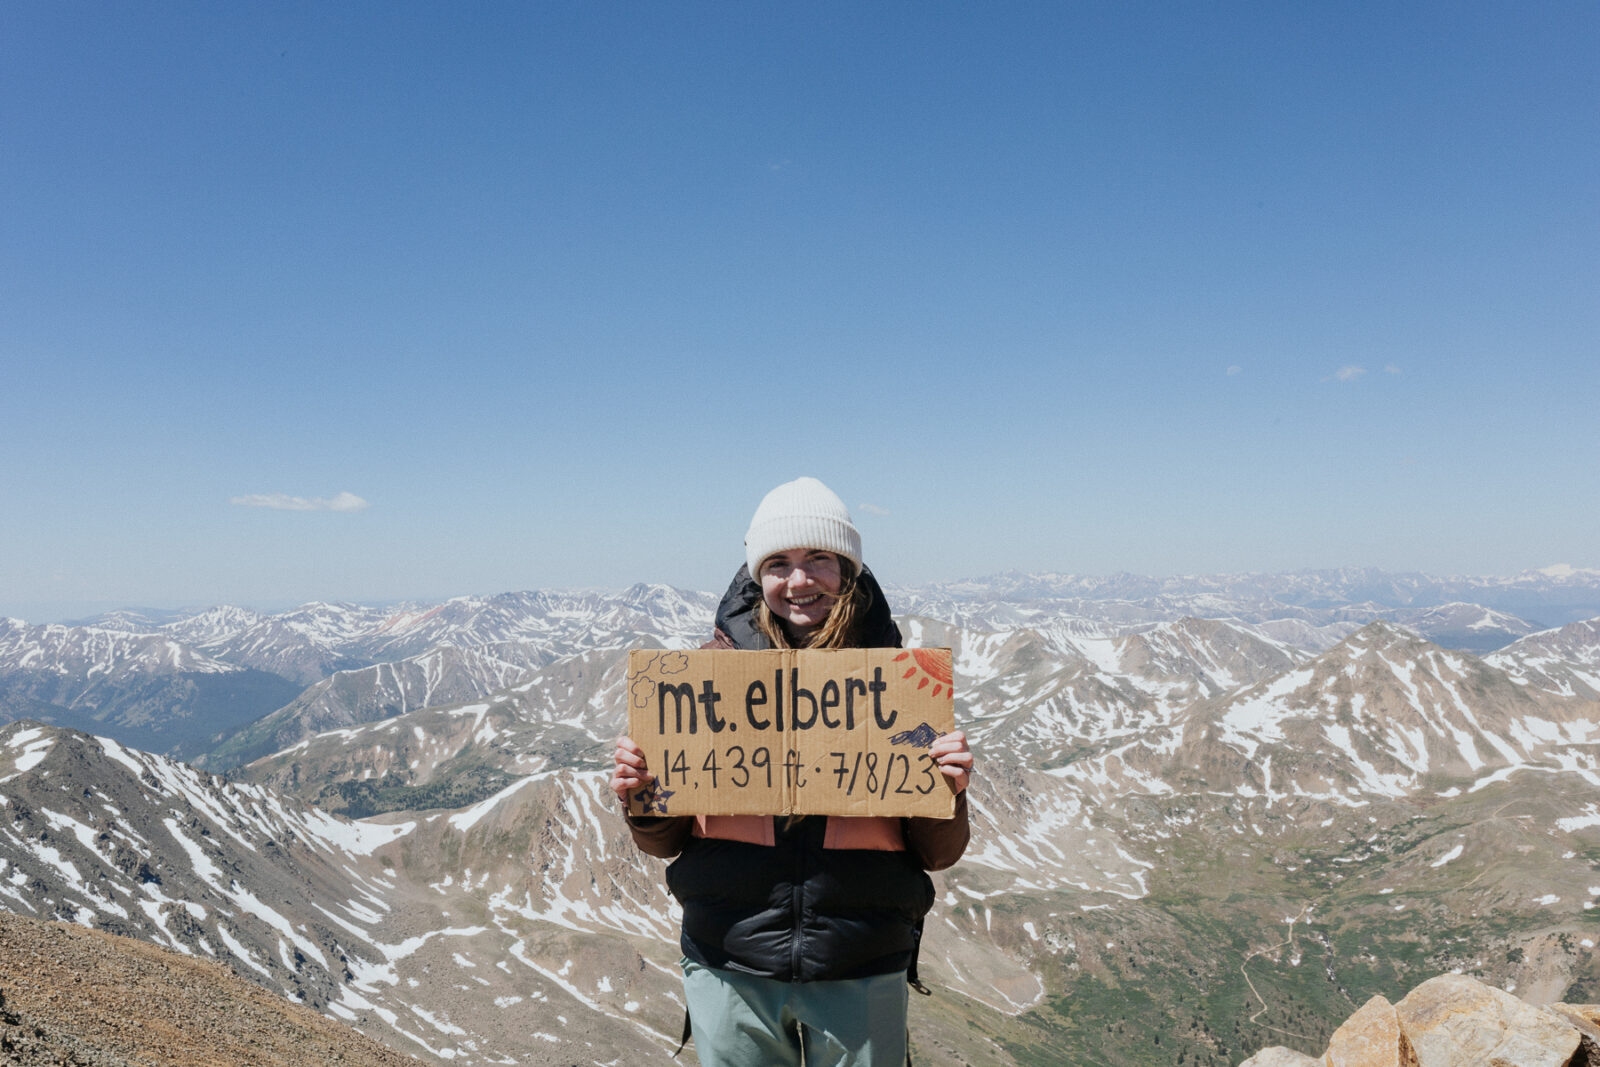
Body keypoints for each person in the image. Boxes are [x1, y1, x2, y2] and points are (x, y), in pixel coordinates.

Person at [611, 476, 973, 1067]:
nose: (799, 581)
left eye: (819, 560)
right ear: (758, 576)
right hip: (729, 962)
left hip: (861, 963)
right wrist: (640, 795)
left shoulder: (902, 681)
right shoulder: (703, 679)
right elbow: (665, 841)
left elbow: (936, 855)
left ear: (848, 570)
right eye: (778, 563)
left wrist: (949, 794)